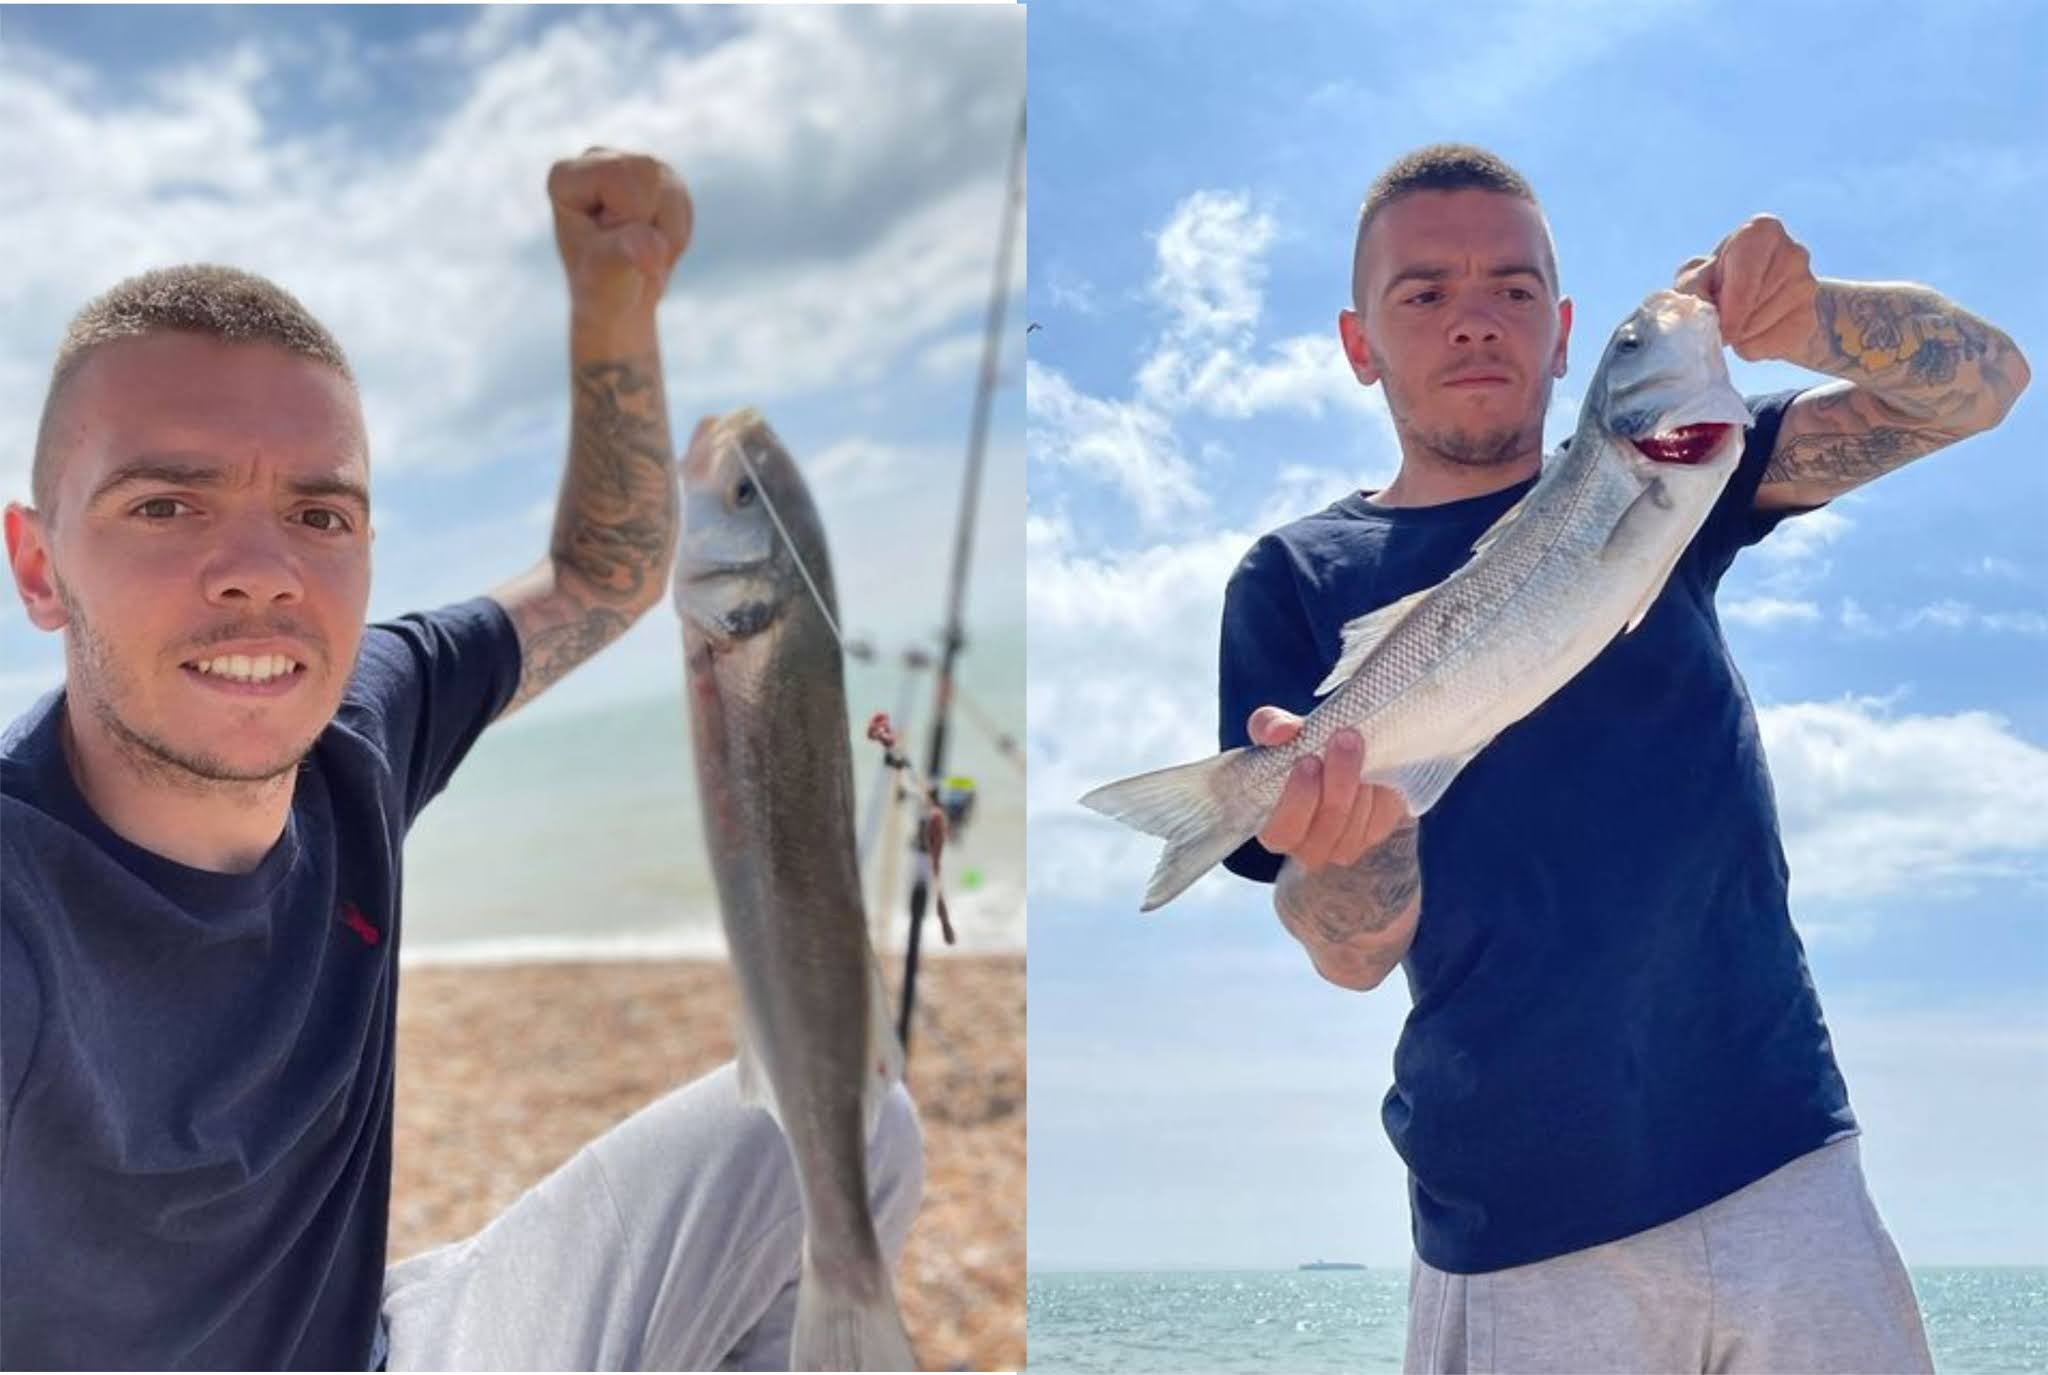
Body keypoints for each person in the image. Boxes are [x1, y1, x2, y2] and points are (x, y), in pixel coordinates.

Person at [0, 149, 922, 1371]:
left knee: (851, 1136)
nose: (263, 568)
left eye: (319, 514)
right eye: (166, 506)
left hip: (382, 1342)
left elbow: (600, 576)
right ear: (38, 565)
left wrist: (613, 307)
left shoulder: (359, 733)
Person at [1217, 144, 2028, 1373]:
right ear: (1356, 341)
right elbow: (1345, 955)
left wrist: (1817, 320)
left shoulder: (1680, 475)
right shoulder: (1292, 580)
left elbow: (1981, 386)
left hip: (1781, 1164)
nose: (1475, 320)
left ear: (1562, 333)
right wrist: (1357, 844)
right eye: (1423, 293)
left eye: (1514, 288)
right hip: (1515, 1220)